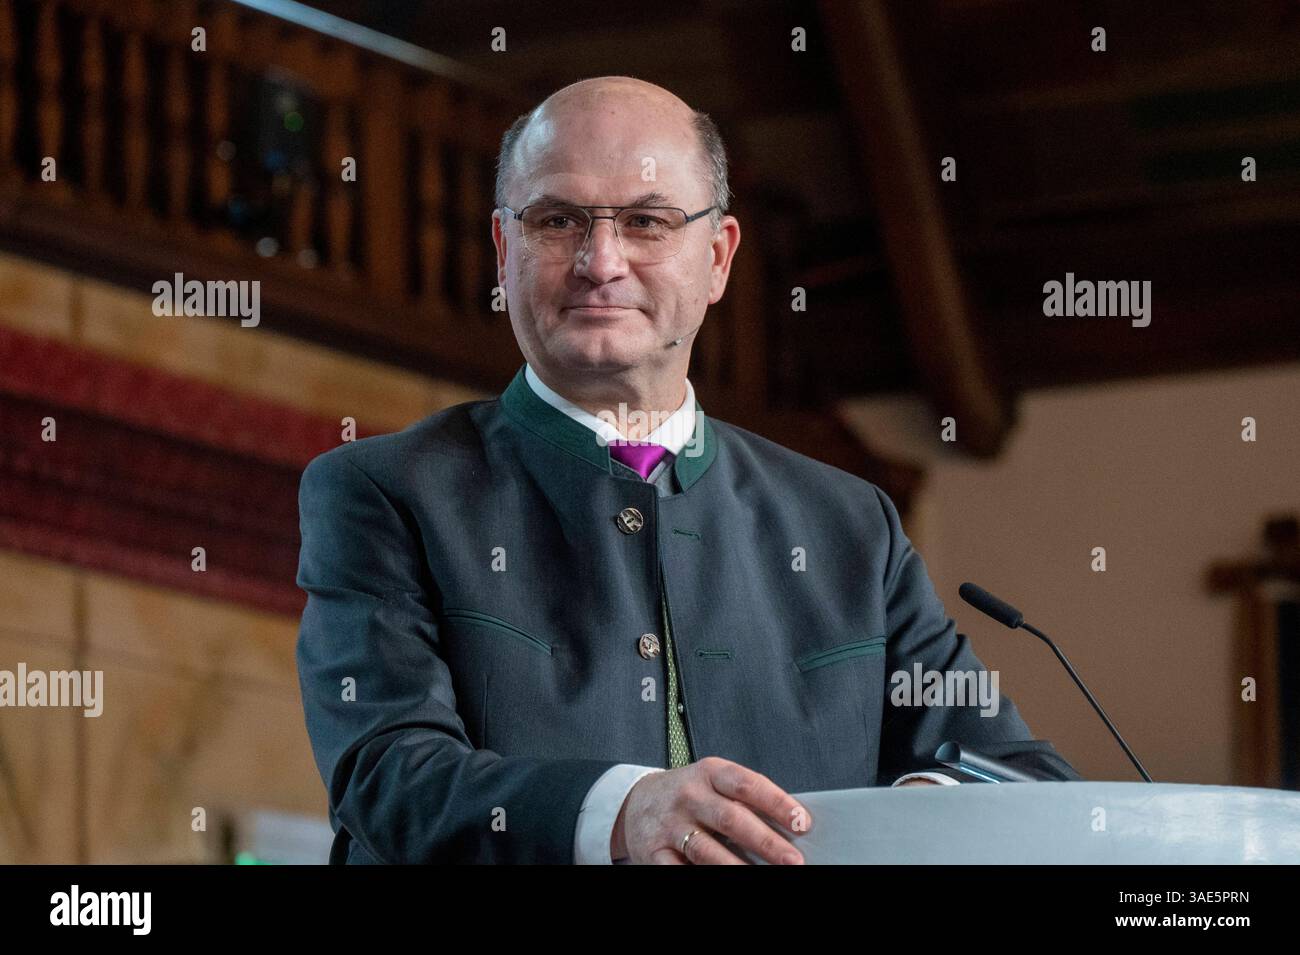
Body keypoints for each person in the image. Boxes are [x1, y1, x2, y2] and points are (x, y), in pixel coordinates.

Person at [295, 75, 1081, 865]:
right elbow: (388, 775)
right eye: (558, 220)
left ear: (717, 258)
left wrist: (907, 817)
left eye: (646, 222)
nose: (601, 262)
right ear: (504, 251)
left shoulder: (849, 524)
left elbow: (1016, 769)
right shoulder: (384, 491)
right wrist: (618, 812)